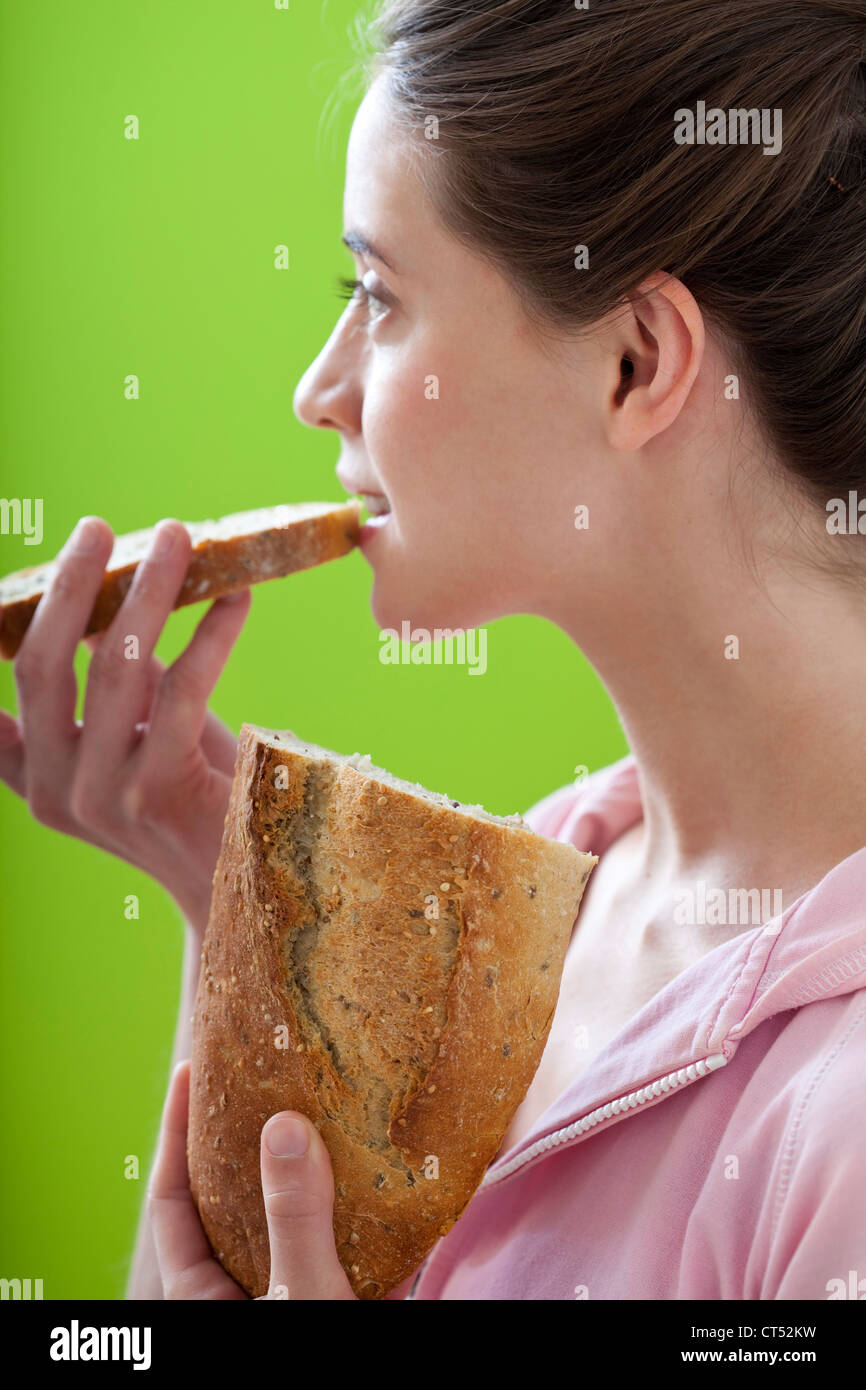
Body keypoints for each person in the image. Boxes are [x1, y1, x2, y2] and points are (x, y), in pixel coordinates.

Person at [2, 0, 865, 1300]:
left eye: (378, 297)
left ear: (635, 362)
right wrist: (228, 908)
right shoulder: (509, 916)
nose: (318, 386)